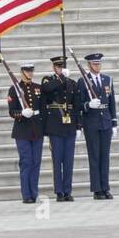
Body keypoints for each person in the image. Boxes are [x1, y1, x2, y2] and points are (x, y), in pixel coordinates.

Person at [40, 56, 82, 202]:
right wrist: (60, 79)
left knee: (68, 160)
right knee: (57, 160)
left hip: (69, 125)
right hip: (55, 125)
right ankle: (59, 191)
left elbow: (76, 106)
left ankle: (67, 190)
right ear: (54, 68)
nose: (60, 69)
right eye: (58, 67)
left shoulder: (72, 83)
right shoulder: (48, 80)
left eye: (62, 66)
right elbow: (46, 89)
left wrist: (78, 125)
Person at [80, 52, 117, 199]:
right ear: (89, 65)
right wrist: (88, 104)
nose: (98, 66)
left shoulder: (107, 79)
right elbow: (79, 104)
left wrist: (114, 122)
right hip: (91, 123)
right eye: (95, 64)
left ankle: (105, 187)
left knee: (105, 156)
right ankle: (97, 189)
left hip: (106, 121)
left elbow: (112, 102)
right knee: (94, 156)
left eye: (99, 63)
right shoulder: (83, 81)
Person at [7, 62, 45, 203]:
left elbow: (43, 109)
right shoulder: (15, 89)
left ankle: (34, 192)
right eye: (27, 71)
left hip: (37, 129)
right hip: (22, 131)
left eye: (31, 71)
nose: (30, 73)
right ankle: (26, 194)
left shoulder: (38, 88)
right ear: (22, 72)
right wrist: (21, 113)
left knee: (36, 162)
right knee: (26, 162)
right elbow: (12, 112)